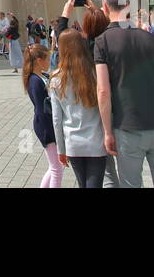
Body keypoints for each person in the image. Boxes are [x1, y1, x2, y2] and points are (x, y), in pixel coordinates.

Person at [94, 0, 154, 188]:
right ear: (128, 5)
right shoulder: (151, 38)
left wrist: (107, 131)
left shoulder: (103, 42)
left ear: (104, 8)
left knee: (131, 184)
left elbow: (103, 91)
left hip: (127, 127)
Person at [50, 28, 107, 188]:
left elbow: (57, 119)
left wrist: (60, 149)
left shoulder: (56, 79)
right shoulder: (95, 73)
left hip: (72, 143)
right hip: (96, 141)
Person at [22, 42, 60, 187]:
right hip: (45, 127)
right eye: (47, 58)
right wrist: (52, 132)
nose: (50, 62)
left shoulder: (40, 76)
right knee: (57, 169)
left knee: (53, 167)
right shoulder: (35, 81)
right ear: (39, 61)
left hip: (45, 125)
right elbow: (42, 109)